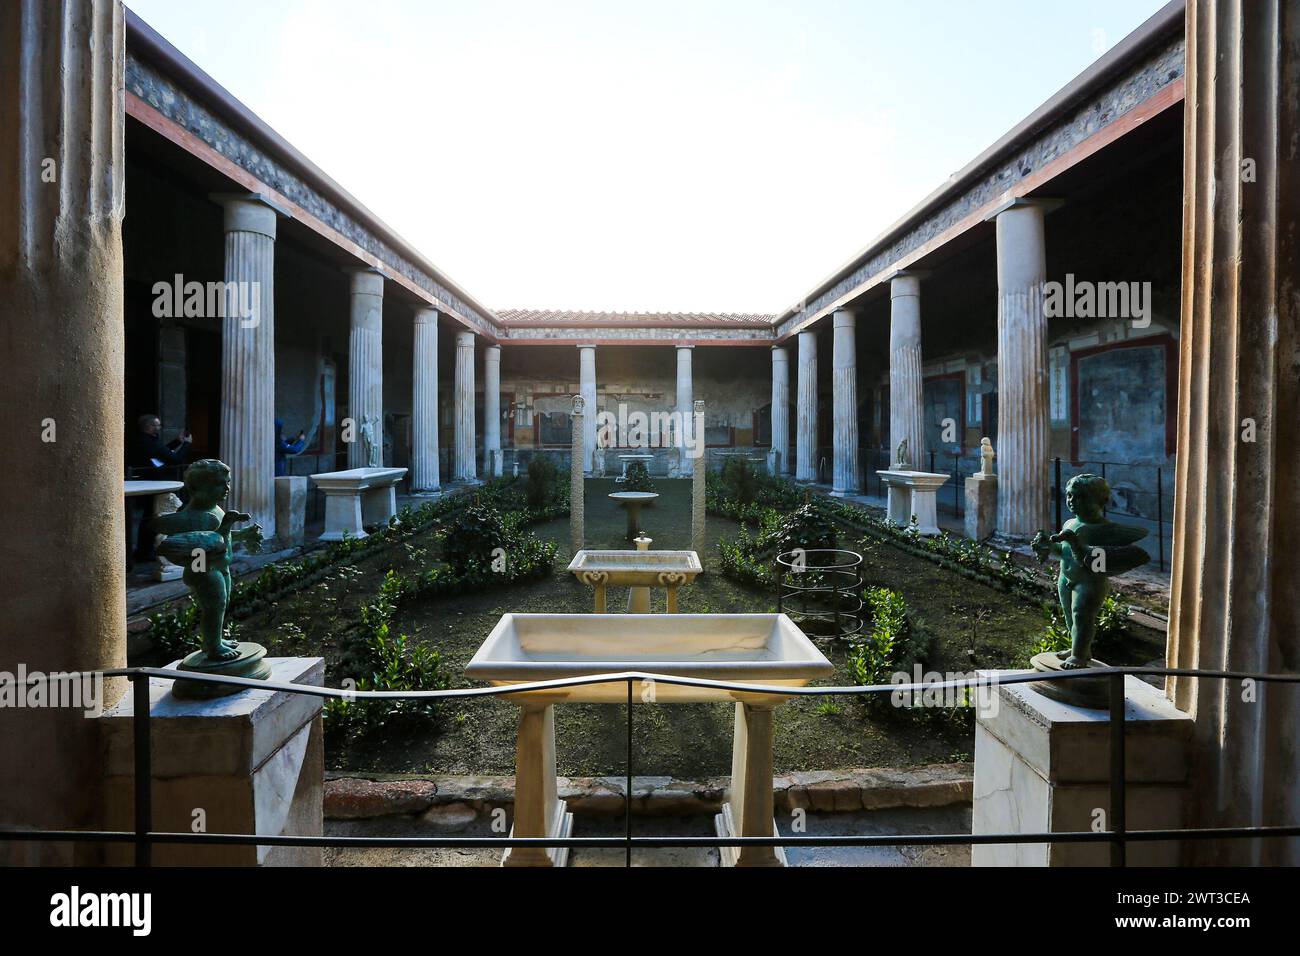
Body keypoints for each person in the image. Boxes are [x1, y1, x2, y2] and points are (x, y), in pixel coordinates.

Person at [127, 414, 191, 563]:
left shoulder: (146, 440)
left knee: (149, 517)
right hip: (150, 483)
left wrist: (177, 442)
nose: (159, 427)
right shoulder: (147, 441)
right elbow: (173, 459)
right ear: (148, 427)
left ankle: (145, 551)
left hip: (149, 482)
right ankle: (145, 551)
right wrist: (186, 444)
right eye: (156, 425)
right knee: (151, 517)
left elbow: (162, 451)